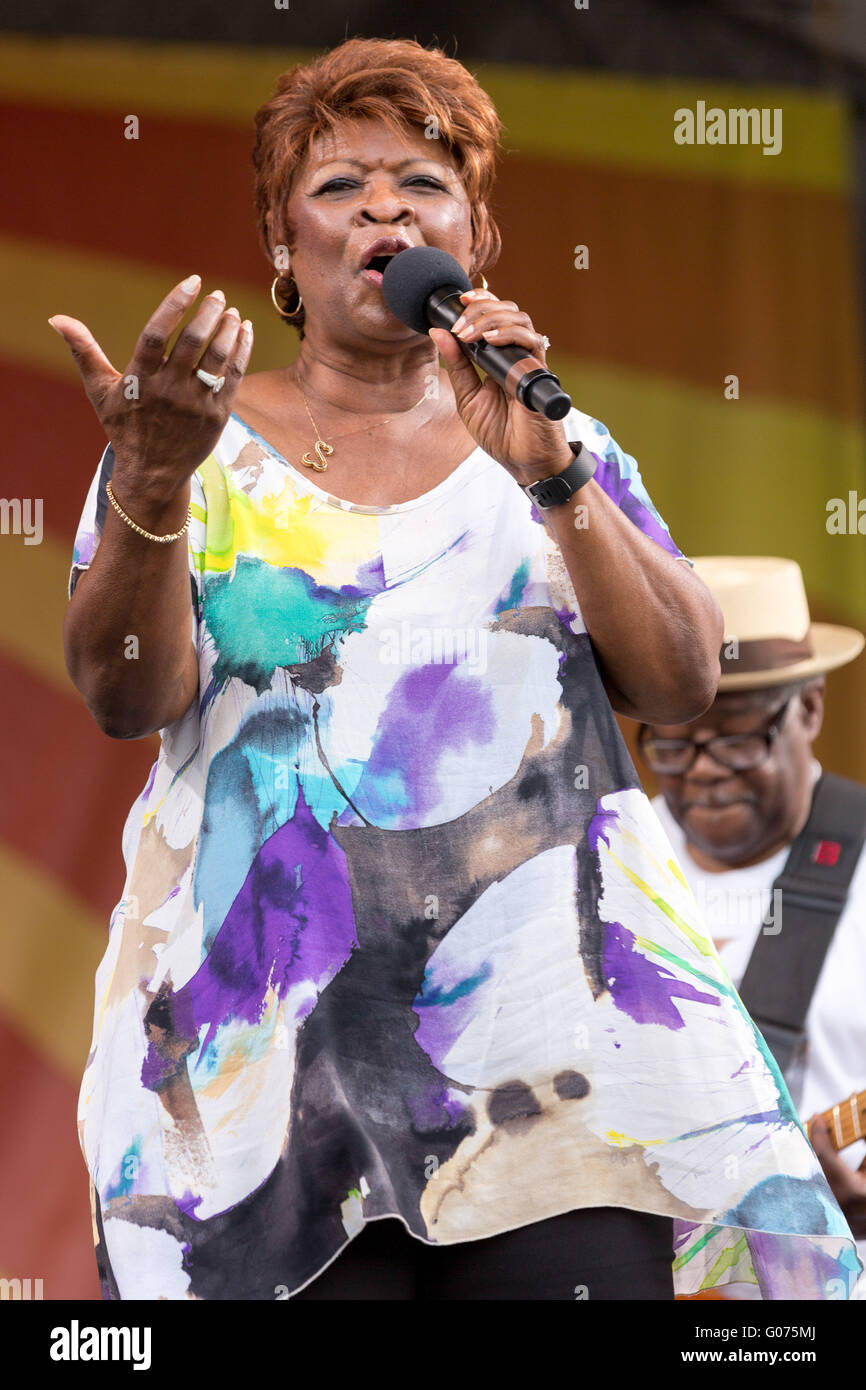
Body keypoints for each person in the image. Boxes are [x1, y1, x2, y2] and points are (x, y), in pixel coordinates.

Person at [52, 37, 859, 1300]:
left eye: (420, 182)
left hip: (547, 1050)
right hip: (274, 1060)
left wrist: (552, 477)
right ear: (281, 243)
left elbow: (684, 681)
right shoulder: (195, 446)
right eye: (337, 187)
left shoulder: (551, 435)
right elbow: (123, 694)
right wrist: (151, 480)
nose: (383, 207)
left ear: (472, 235)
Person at [642, 555, 866, 1289]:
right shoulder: (611, 857)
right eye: (672, 743)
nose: (700, 771)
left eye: (736, 738)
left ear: (809, 710)